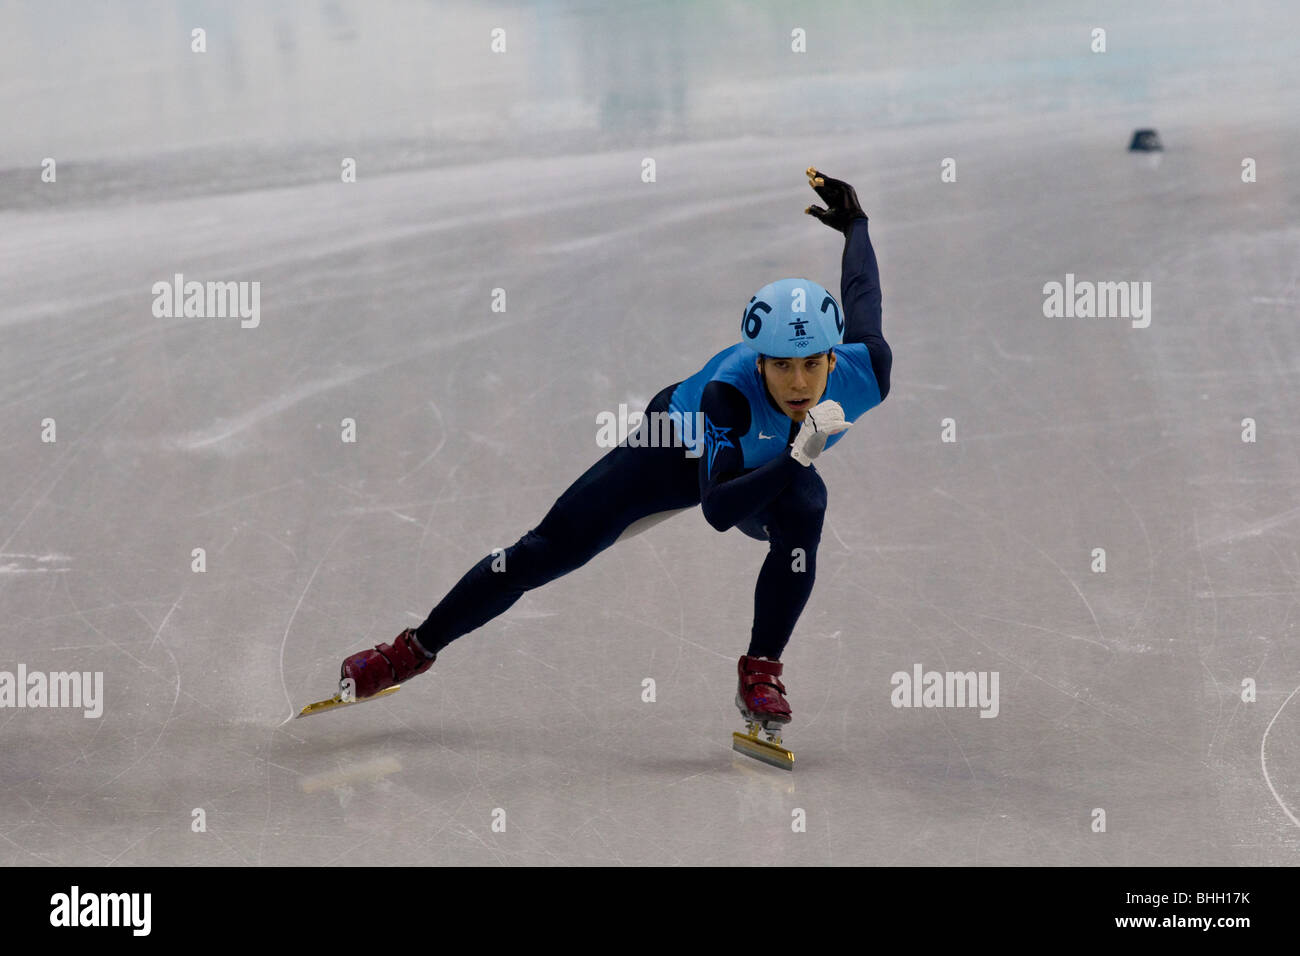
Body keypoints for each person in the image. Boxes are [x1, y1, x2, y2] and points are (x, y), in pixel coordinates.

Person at [338, 167, 891, 738]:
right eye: (781, 365)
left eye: (811, 364)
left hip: (769, 471)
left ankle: (761, 671)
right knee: (542, 552)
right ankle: (413, 650)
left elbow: (862, 295)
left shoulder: (866, 370)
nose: (799, 383)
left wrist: (855, 225)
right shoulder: (728, 395)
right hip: (674, 452)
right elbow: (720, 510)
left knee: (804, 506)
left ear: (833, 357)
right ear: (758, 363)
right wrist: (799, 452)